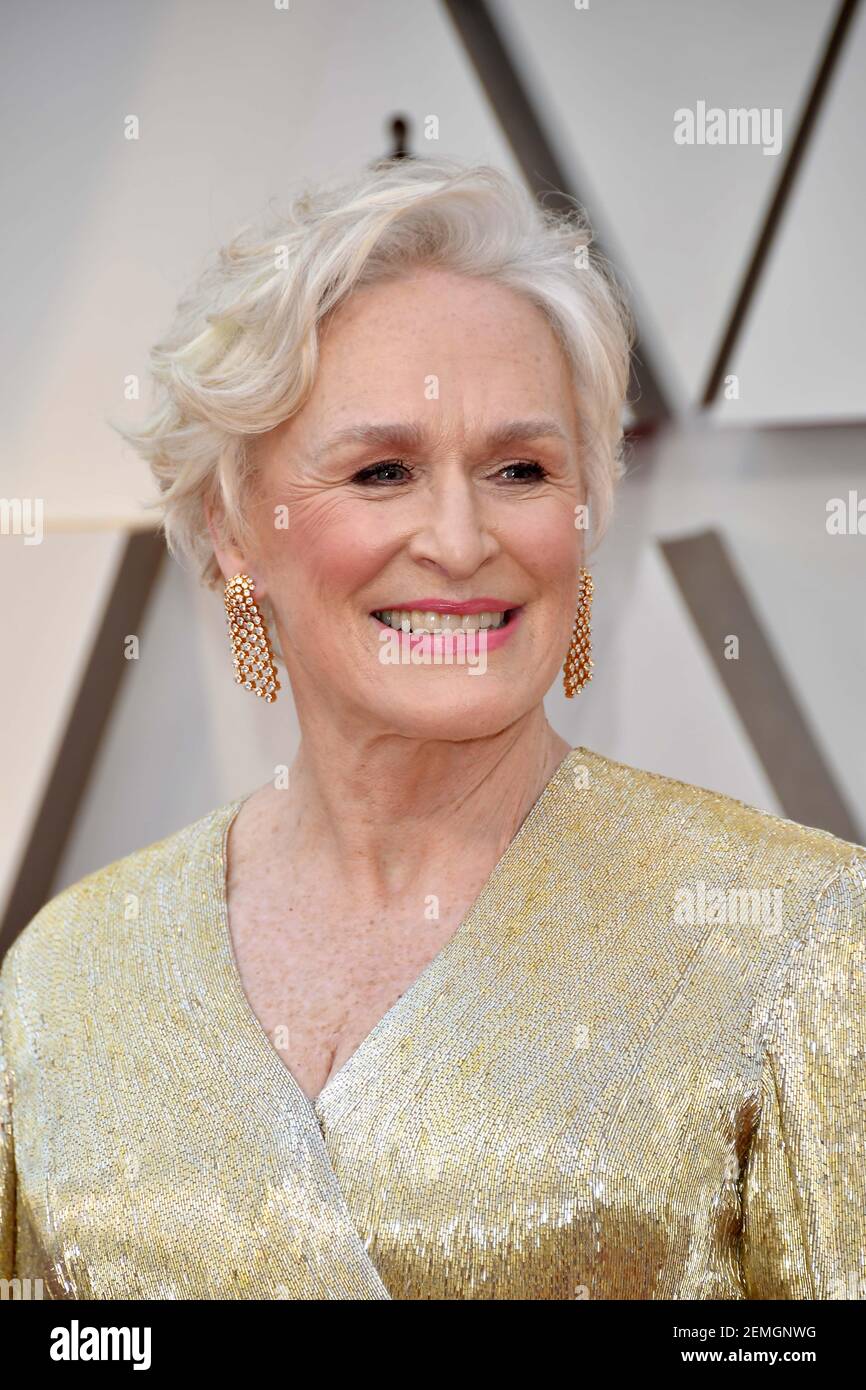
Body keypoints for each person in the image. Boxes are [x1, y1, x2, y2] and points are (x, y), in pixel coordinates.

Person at [1, 158, 863, 1301]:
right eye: (382, 470)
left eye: (519, 467)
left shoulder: (796, 942)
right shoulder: (71, 976)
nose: (458, 541)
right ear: (233, 530)